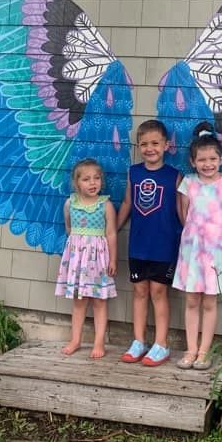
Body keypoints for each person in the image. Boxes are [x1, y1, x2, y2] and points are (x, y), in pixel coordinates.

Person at [173, 122, 222, 371]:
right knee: (191, 301)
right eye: (202, 159)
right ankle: (190, 349)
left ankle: (204, 351)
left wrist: (221, 238)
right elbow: (183, 212)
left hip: (216, 252)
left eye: (213, 159)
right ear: (193, 162)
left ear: (221, 159)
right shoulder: (189, 182)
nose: (208, 164)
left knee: (210, 302)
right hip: (192, 251)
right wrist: (194, 236)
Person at [117, 120, 183, 366]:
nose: (149, 148)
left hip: (164, 245)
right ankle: (138, 341)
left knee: (158, 292)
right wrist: (113, 228)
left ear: (166, 145)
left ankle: (161, 344)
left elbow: (182, 211)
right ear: (138, 146)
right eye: (144, 144)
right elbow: (127, 202)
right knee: (139, 291)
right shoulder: (133, 172)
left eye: (155, 143)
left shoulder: (174, 176)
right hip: (138, 244)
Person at [55, 158, 118, 359]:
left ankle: (99, 342)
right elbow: (69, 228)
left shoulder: (105, 205)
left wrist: (113, 260)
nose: (92, 183)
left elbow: (111, 234)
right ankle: (75, 340)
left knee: (99, 301)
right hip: (77, 260)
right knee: (79, 301)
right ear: (76, 183)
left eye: (96, 178)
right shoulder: (70, 203)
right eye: (86, 179)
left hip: (97, 260)